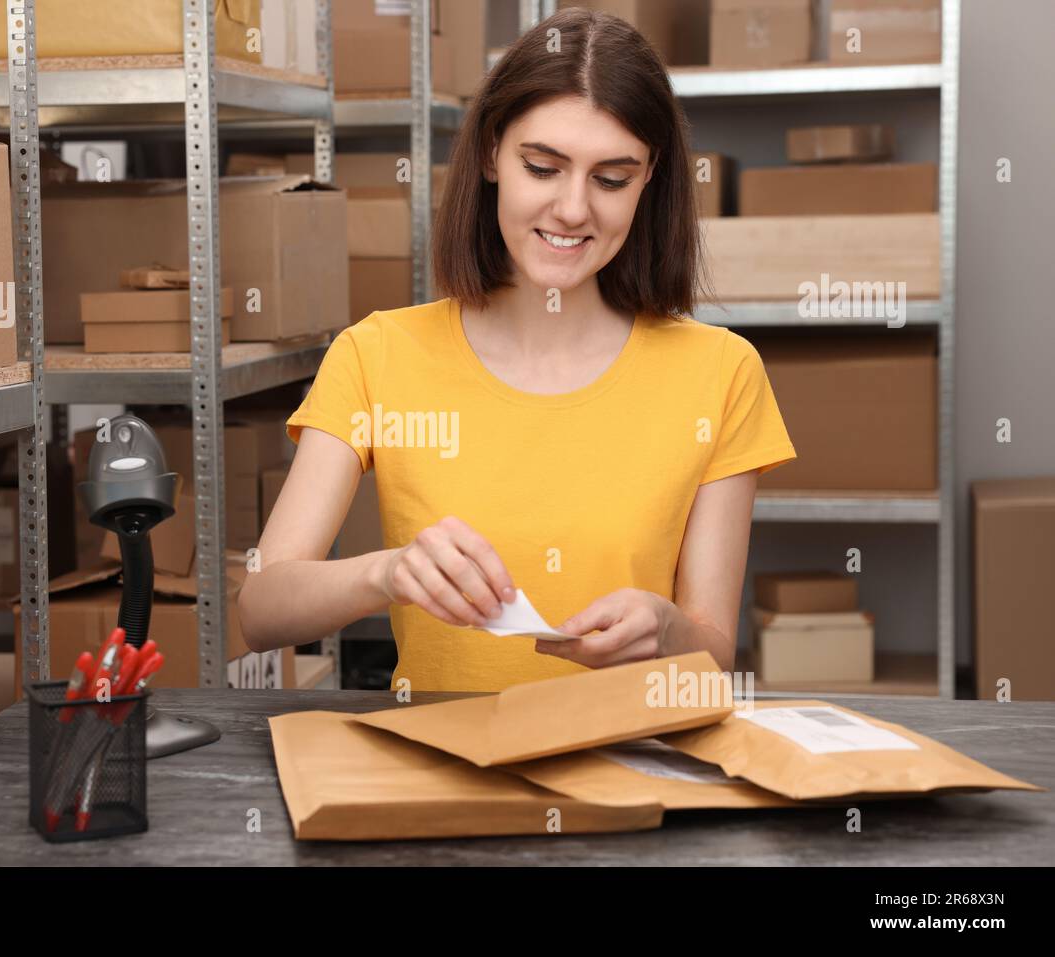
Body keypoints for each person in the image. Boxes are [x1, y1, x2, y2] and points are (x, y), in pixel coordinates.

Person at [238, 7, 796, 692]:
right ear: (491, 154)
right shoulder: (377, 354)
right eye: (543, 166)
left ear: (650, 180)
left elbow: (712, 658)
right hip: (444, 771)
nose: (571, 208)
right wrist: (386, 572)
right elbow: (260, 608)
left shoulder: (720, 373)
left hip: (625, 770)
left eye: (611, 178)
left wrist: (668, 629)